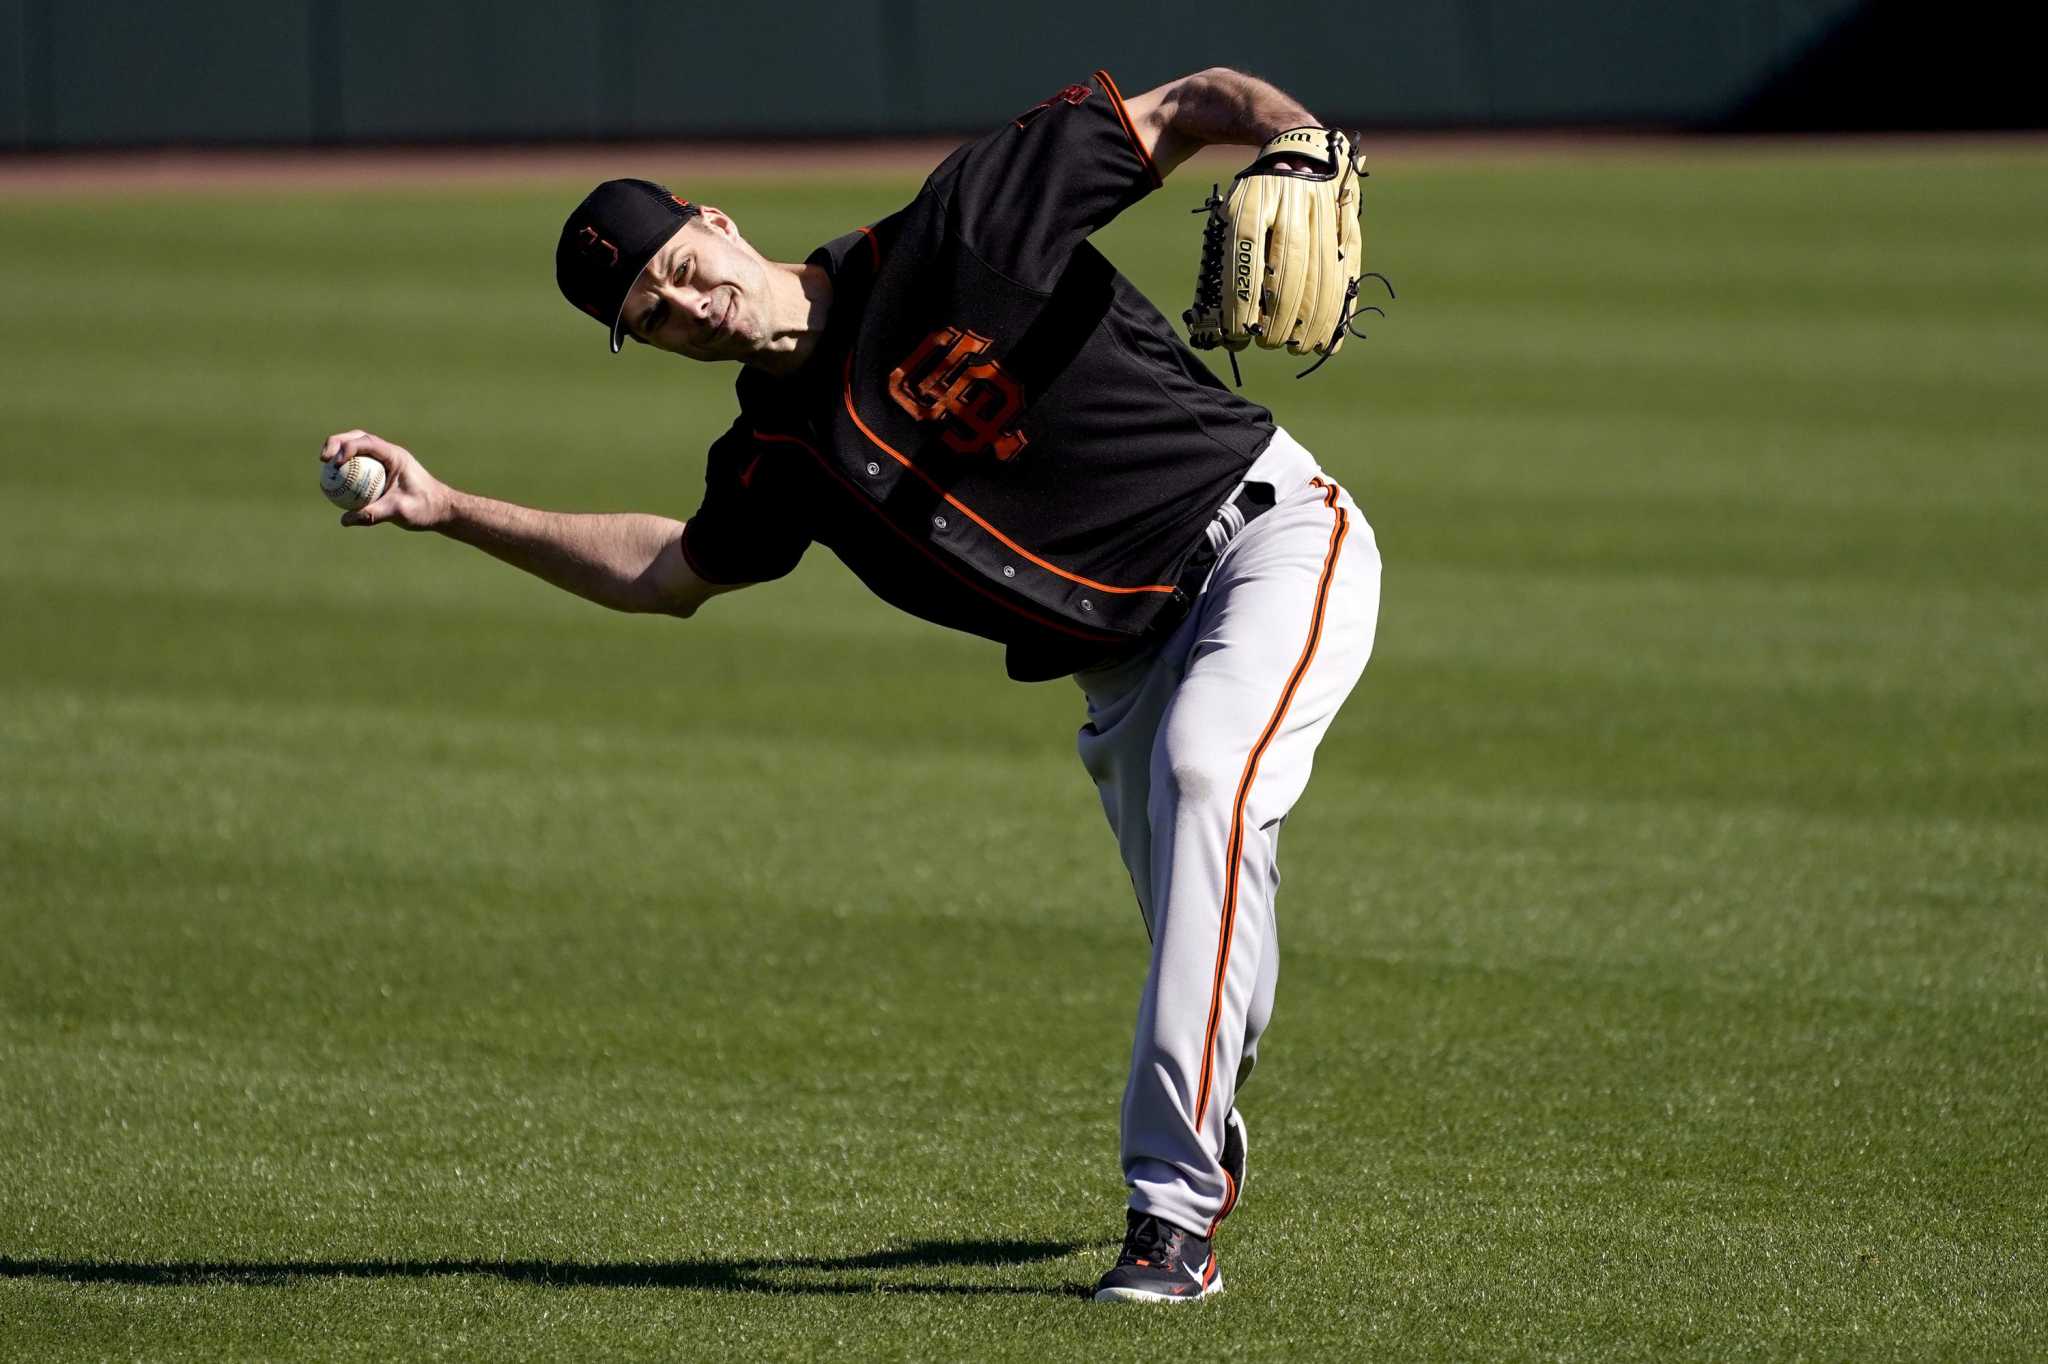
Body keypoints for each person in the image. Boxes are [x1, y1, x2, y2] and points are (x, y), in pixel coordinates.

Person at [318, 65, 1381, 1303]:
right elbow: (666, 570)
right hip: (1119, 670)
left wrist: (1296, 141)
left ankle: (1169, 1218)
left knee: (1210, 778)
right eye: (649, 313)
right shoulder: (774, 451)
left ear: (714, 222)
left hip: (1265, 542)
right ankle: (1211, 1117)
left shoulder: (957, 228)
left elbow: (1189, 101)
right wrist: (448, 509)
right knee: (1211, 954)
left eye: (674, 264)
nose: (684, 304)